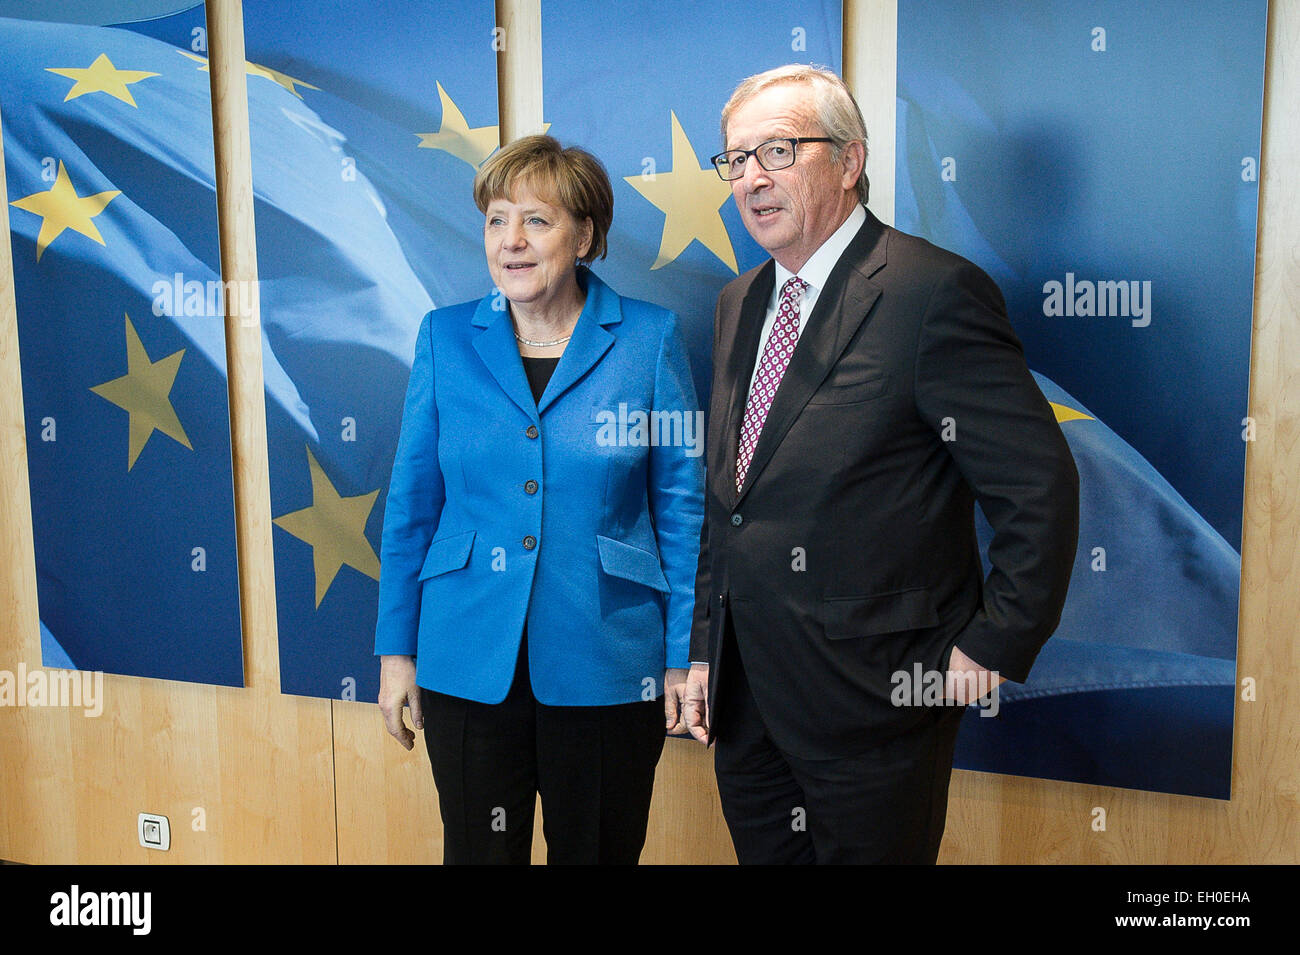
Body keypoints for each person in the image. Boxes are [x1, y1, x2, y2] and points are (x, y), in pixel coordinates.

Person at [682, 65, 1079, 864]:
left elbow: (1039, 488)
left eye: (778, 151)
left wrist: (992, 646)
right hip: (747, 697)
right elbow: (732, 502)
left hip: (880, 701)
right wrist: (702, 648)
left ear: (850, 160)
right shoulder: (738, 302)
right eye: (736, 159)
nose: (752, 178)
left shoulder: (933, 293)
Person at [375, 135, 703, 865]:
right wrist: (397, 652)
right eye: (496, 219)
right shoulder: (445, 337)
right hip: (465, 656)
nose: (511, 241)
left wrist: (683, 655)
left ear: (584, 236)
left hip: (608, 658)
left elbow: (684, 515)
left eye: (536, 220)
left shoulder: (650, 339)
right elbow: (411, 507)